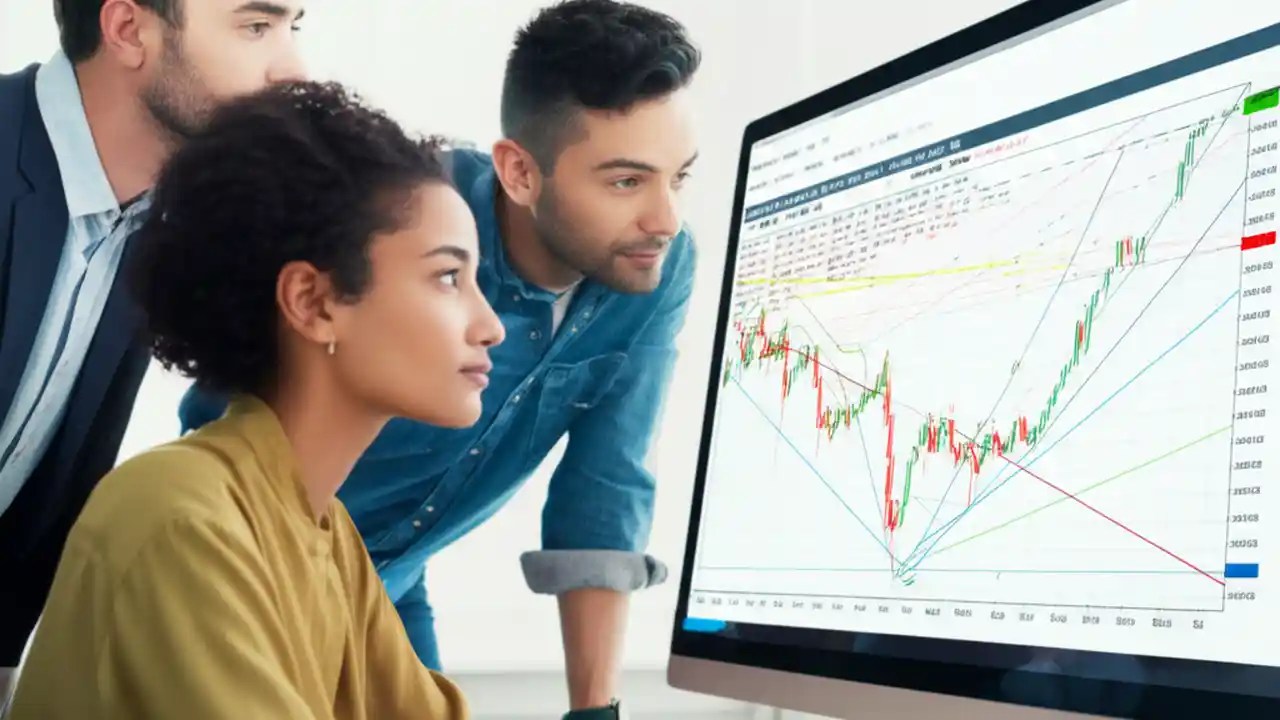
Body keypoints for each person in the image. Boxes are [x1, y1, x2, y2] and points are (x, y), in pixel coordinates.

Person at [181, 0, 701, 715]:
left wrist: (594, 711)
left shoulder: (655, 266)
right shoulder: (409, 208)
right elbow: (233, 389)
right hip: (256, 565)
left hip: (391, 588)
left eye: (680, 178)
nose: (665, 218)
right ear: (519, 172)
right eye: (626, 181)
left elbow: (607, 488)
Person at [9, 79, 493, 719]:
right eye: (447, 277)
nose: (490, 324)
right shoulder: (181, 521)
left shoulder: (324, 532)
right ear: (313, 303)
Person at [0, 0, 305, 707]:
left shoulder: (163, 225)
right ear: (129, 30)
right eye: (255, 27)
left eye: (296, 26)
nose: (292, 66)